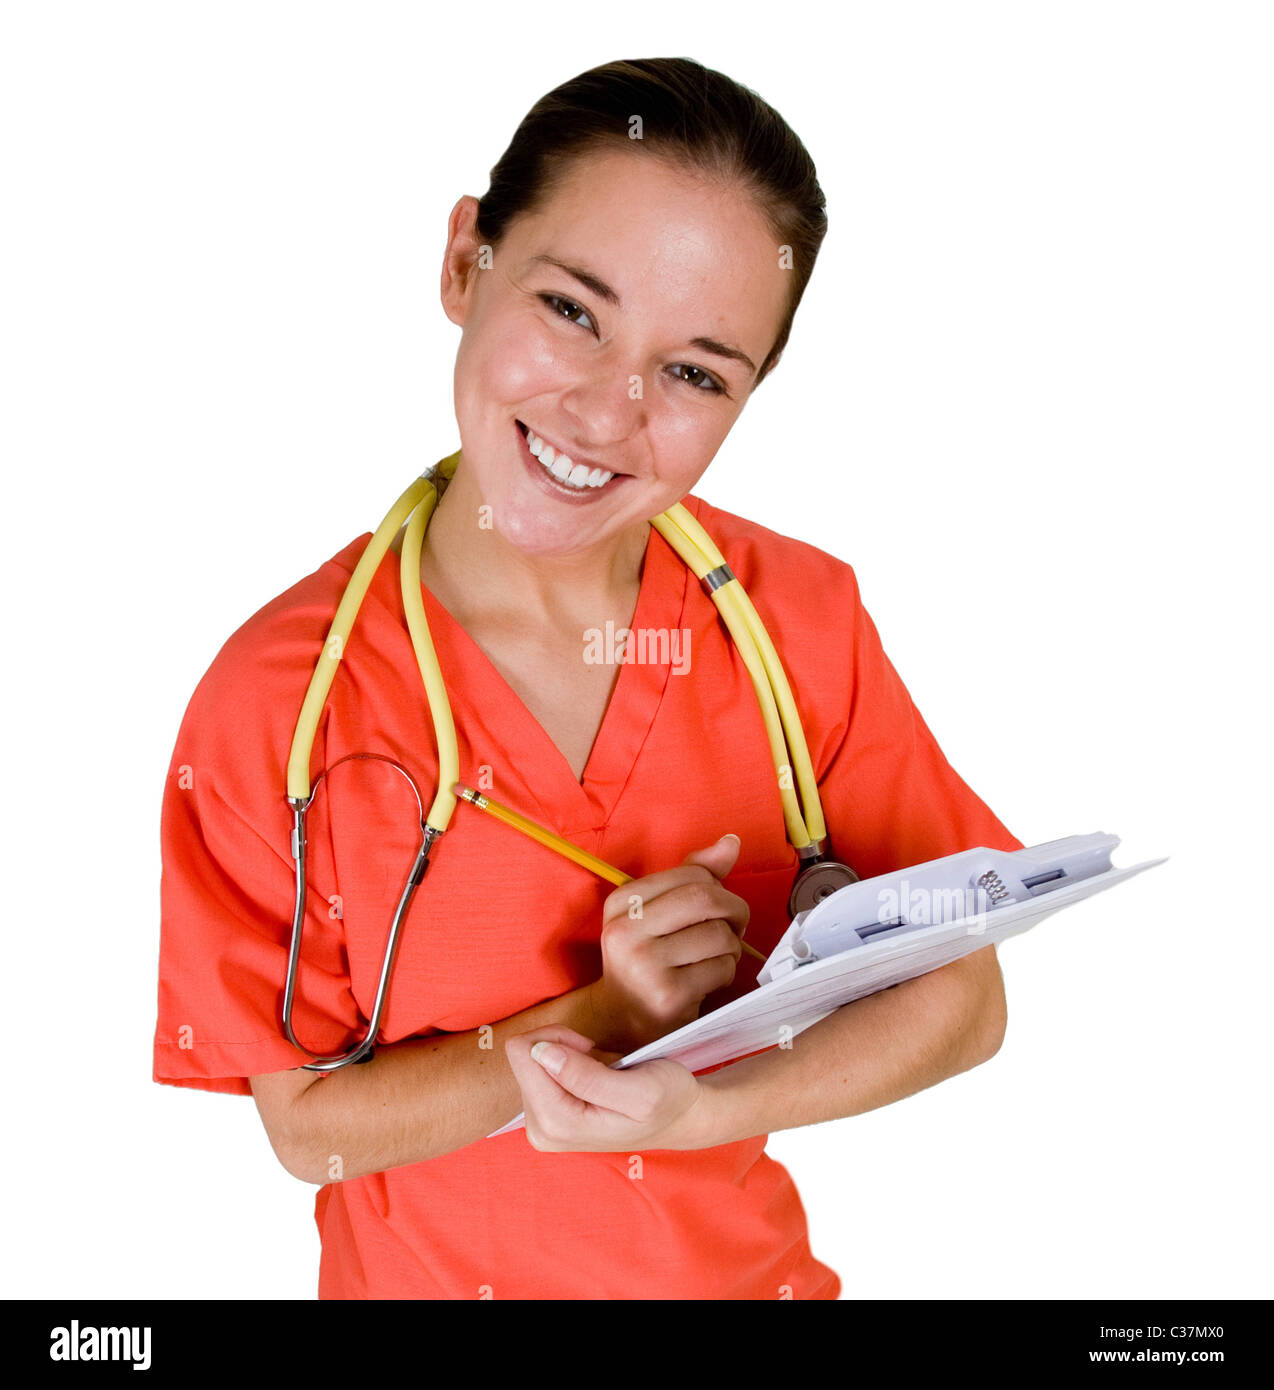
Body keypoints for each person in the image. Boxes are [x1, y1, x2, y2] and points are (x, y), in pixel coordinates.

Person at [153, 56, 1021, 1300]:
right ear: (464, 264)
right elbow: (309, 1130)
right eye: (570, 309)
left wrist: (690, 1110)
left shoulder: (796, 625)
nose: (607, 413)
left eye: (693, 372)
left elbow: (962, 995)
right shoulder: (280, 700)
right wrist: (604, 1014)